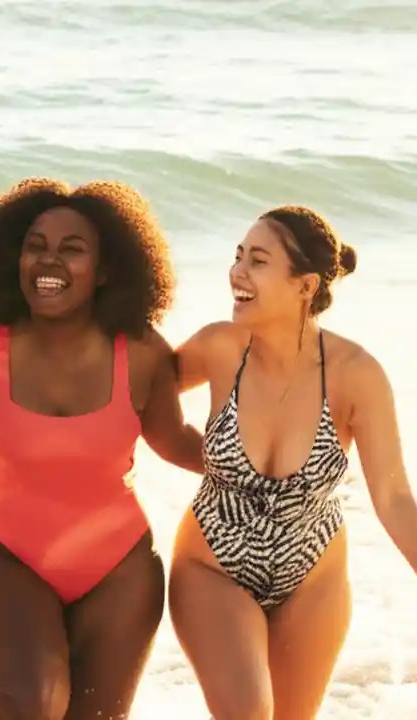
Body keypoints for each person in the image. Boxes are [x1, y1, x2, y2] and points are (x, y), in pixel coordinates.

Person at [0, 178, 202, 718]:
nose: (49, 260)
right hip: (6, 552)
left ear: (107, 269)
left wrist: (275, 467)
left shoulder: (142, 352)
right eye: (35, 245)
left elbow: (177, 442)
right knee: (26, 703)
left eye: (72, 249)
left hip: (118, 565)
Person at [168, 206, 417, 719]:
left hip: (313, 574)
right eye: (238, 256)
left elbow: (393, 498)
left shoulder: (356, 374)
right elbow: (136, 393)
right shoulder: (218, 347)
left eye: (257, 260)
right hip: (212, 564)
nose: (237, 271)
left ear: (305, 286)